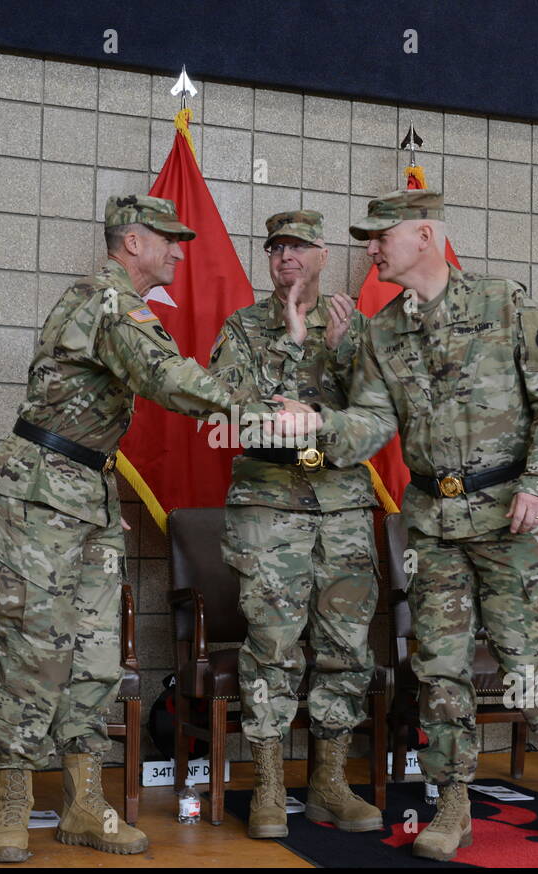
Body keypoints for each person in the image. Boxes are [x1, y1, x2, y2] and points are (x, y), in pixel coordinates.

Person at [278, 189, 538, 861]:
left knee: (519, 654)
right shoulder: (383, 330)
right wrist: (319, 425)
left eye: (380, 236)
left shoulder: (503, 302)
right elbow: (370, 420)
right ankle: (451, 799)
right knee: (440, 666)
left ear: (424, 234)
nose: (369, 248)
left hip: (512, 514)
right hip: (432, 521)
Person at [0, 194, 282, 863]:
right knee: (35, 651)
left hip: (86, 488)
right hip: (42, 492)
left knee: (94, 655)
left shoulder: (121, 303)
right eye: (169, 240)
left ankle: (83, 803)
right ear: (134, 242)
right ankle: (13, 803)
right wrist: (260, 408)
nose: (180, 251)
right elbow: (166, 379)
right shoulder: (108, 300)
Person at [208, 210, 382, 839]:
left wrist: (336, 353)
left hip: (342, 506)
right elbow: (222, 412)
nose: (285, 256)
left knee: (345, 647)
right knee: (273, 647)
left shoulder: (354, 326)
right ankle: (269, 787)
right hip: (269, 505)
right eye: (276, 247)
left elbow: (378, 416)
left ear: (322, 254)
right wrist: (287, 341)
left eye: (299, 246)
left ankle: (330, 784)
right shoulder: (245, 327)